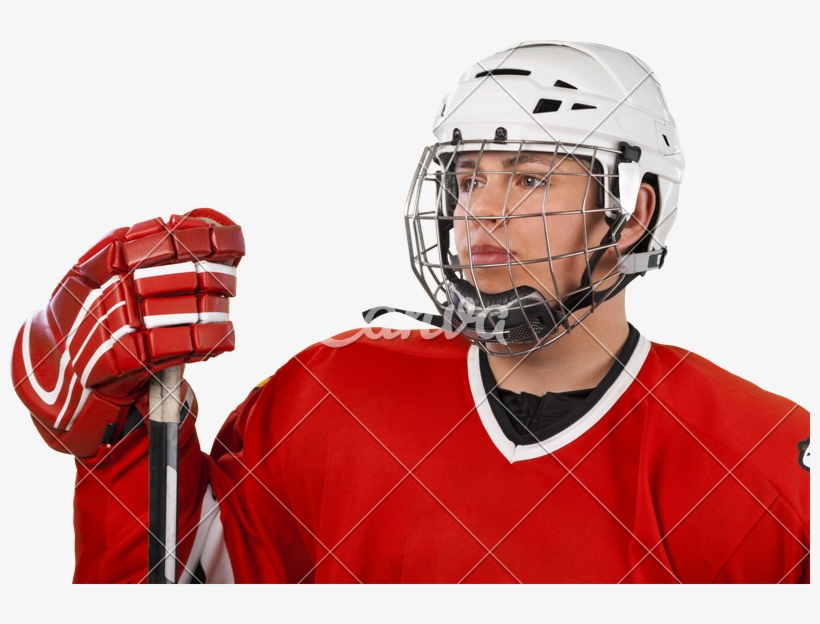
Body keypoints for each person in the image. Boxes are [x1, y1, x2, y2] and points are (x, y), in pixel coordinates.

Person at [10, 41, 809, 583]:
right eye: (467, 178)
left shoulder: (763, 462)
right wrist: (128, 436)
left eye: (530, 178)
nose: (481, 214)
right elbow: (188, 582)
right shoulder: (331, 396)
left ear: (632, 212)